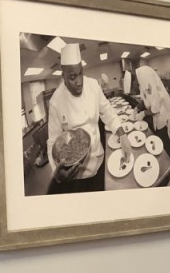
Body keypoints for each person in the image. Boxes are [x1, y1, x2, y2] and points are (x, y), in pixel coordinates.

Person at [46, 43, 130, 194]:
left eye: (80, 73)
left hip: (99, 159)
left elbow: (107, 111)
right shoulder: (56, 102)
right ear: (63, 76)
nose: (79, 81)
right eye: (72, 77)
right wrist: (57, 173)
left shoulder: (93, 86)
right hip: (75, 174)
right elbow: (53, 141)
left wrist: (122, 134)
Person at [134, 65, 170, 158]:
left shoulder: (154, 90)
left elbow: (155, 109)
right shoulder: (145, 86)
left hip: (163, 120)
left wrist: (144, 113)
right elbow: (146, 100)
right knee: (159, 142)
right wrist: (137, 108)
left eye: (138, 77)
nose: (136, 80)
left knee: (165, 144)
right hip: (156, 119)